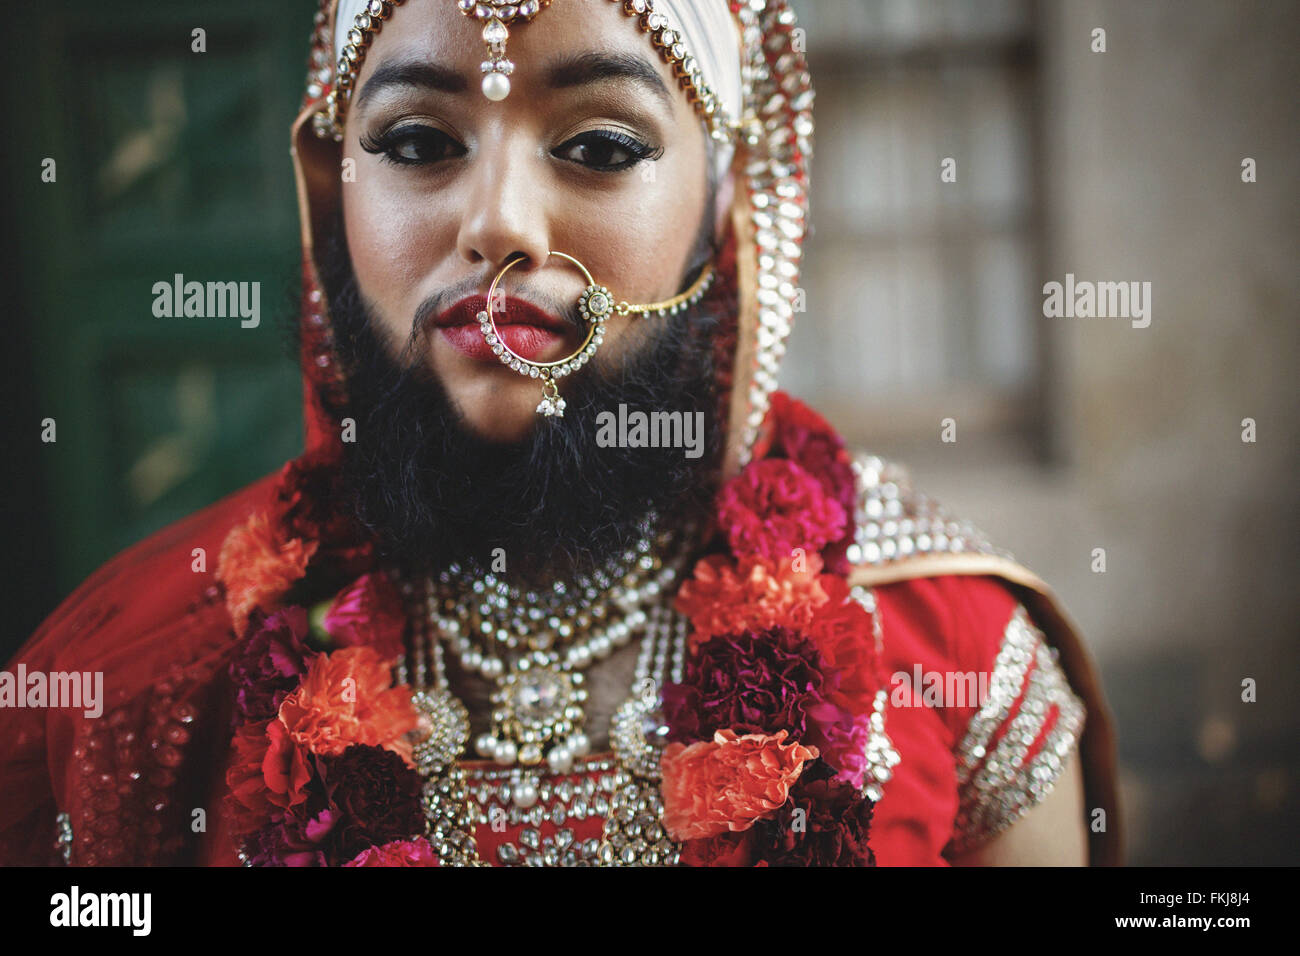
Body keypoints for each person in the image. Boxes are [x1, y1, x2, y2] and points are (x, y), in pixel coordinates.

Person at [0, 0, 1119, 867]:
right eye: (416, 139)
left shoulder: (953, 651)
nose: (496, 220)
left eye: (598, 145)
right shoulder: (128, 687)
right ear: (324, 181)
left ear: (733, 197)